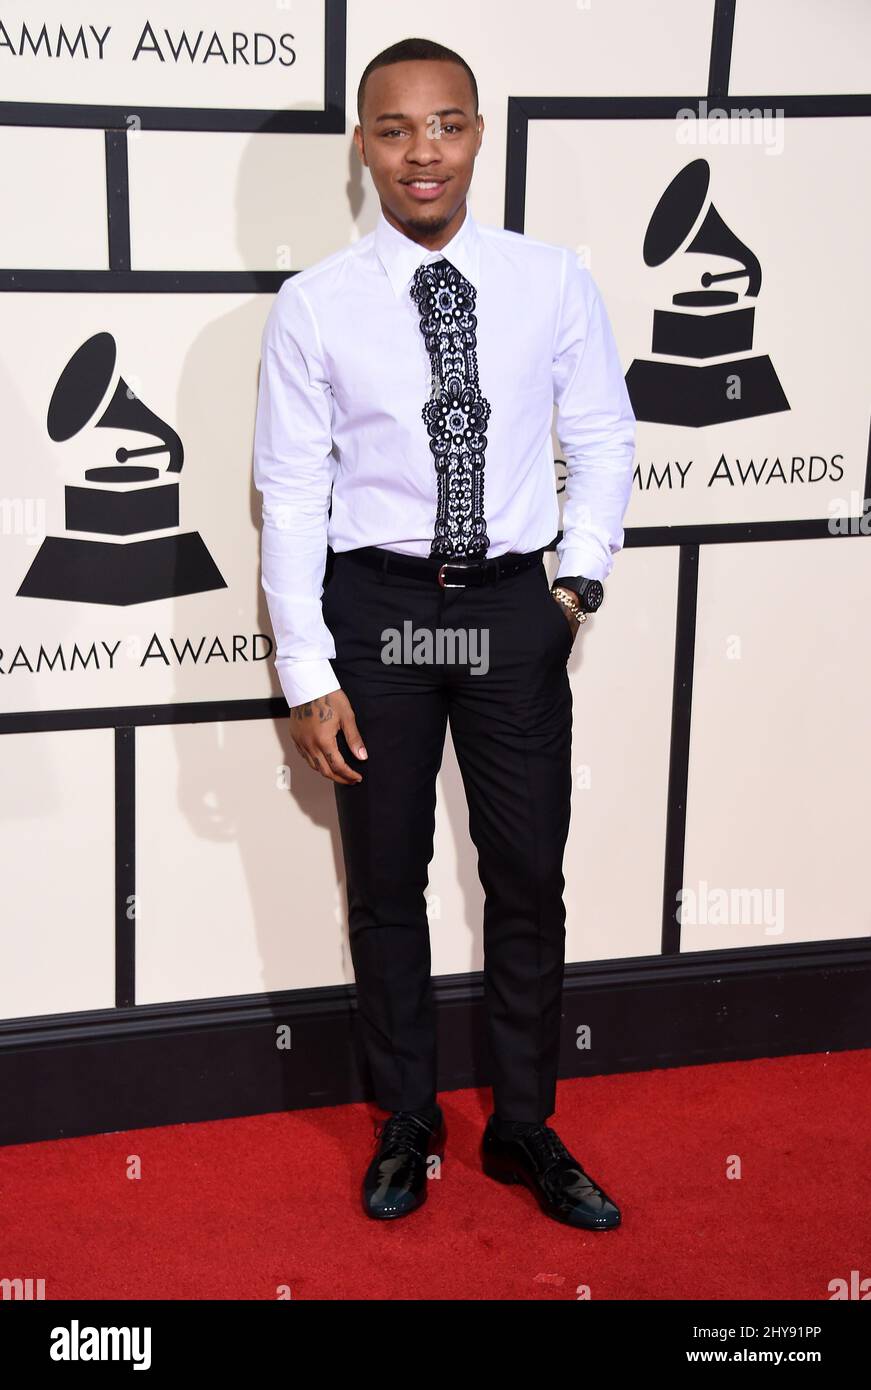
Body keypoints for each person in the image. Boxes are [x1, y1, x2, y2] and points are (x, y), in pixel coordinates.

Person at [252, 36, 636, 1229]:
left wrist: (572, 588)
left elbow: (604, 436)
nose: (423, 152)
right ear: (362, 147)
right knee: (385, 878)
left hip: (511, 613)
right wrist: (309, 670)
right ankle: (407, 1117)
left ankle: (523, 1124)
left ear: (479, 134)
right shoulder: (315, 305)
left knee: (526, 875)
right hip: (378, 617)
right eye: (394, 128)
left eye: (447, 124)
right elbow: (291, 490)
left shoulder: (552, 281)